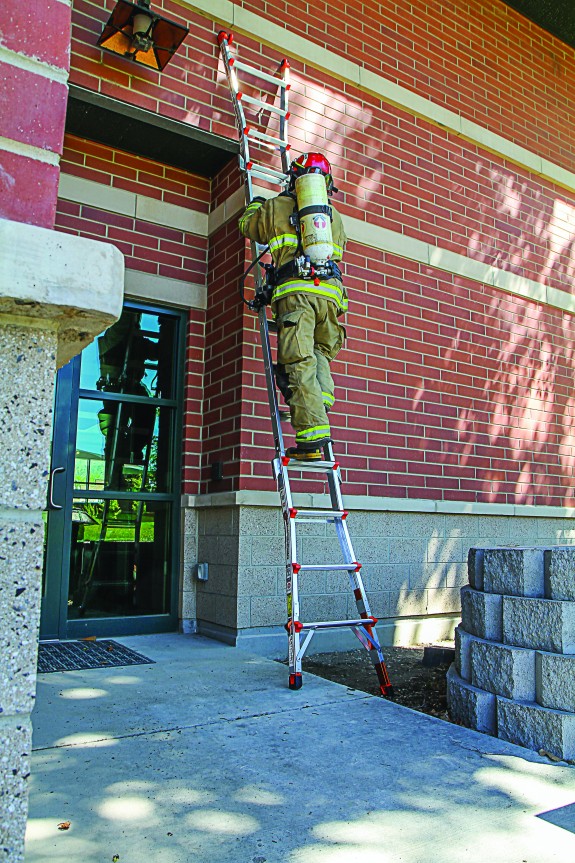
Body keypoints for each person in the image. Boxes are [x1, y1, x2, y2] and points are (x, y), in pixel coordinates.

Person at [238, 152, 348, 460]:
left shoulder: (277, 206)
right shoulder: (334, 218)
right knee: (319, 351)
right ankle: (319, 400)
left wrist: (256, 205)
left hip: (296, 296)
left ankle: (312, 438)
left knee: (298, 361)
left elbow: (247, 226)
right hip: (331, 297)